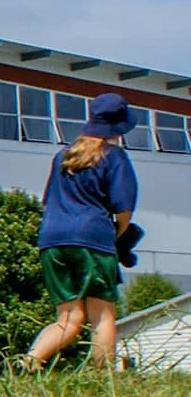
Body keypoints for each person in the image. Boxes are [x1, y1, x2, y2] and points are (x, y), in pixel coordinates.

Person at [25, 93, 139, 371]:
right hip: (92, 238)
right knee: (101, 315)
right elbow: (123, 209)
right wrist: (118, 236)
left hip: (52, 239)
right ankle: (102, 380)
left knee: (68, 319)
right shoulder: (114, 157)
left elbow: (47, 199)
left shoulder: (62, 157)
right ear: (118, 127)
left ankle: (28, 363)